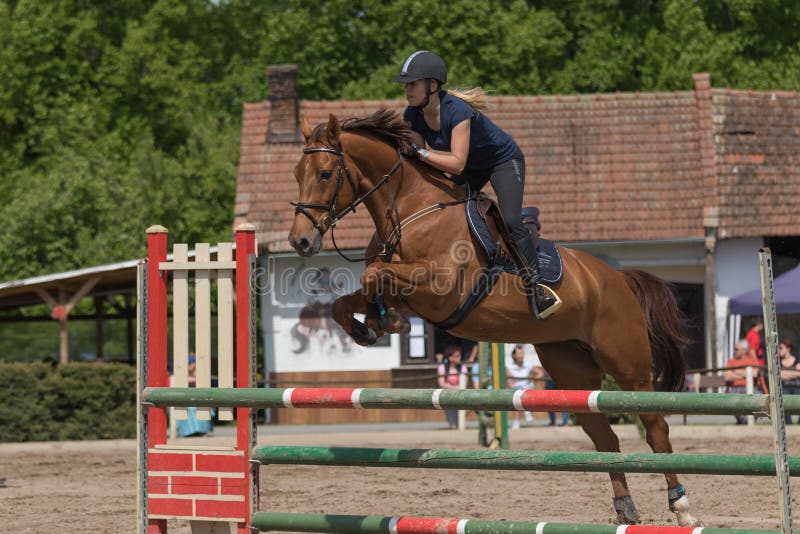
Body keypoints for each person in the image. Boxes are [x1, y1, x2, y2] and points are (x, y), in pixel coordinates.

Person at [395, 50, 560, 320]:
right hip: (471, 167)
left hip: (502, 161)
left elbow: (456, 163)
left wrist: (420, 153)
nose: (407, 89)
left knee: (509, 218)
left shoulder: (457, 110)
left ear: (432, 85)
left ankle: (537, 286)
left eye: (412, 83)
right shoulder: (411, 114)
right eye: (406, 84)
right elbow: (421, 161)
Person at [724, 340, 763, 424]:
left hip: (752, 388)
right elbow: (728, 377)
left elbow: (754, 374)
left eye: (737, 349)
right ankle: (744, 422)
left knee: (760, 400)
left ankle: (744, 422)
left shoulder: (753, 361)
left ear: (744, 350)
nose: (734, 351)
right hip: (736, 388)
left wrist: (735, 371)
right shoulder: (731, 362)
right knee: (732, 401)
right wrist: (747, 374)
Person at [505, 344, 542, 429]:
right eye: (519, 354)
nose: (521, 356)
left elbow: (540, 373)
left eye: (522, 353)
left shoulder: (527, 364)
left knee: (526, 391)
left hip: (527, 388)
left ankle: (517, 420)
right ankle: (526, 412)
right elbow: (510, 383)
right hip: (517, 389)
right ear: (514, 355)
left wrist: (534, 379)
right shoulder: (510, 367)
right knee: (519, 395)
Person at [437, 344, 469, 429]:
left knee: (460, 421)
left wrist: (454, 388)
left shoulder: (463, 367)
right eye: (457, 356)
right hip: (447, 395)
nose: (459, 358)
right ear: (450, 358)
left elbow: (464, 383)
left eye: (459, 355)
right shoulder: (442, 367)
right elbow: (442, 384)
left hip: (460, 395)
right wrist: (456, 388)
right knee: (453, 423)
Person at [779, 339, 800, 424]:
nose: (778, 350)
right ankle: (788, 424)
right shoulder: (777, 361)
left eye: (781, 348)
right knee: (783, 400)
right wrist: (795, 373)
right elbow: (779, 375)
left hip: (797, 387)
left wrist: (785, 373)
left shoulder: (797, 359)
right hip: (784, 388)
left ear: (788, 349)